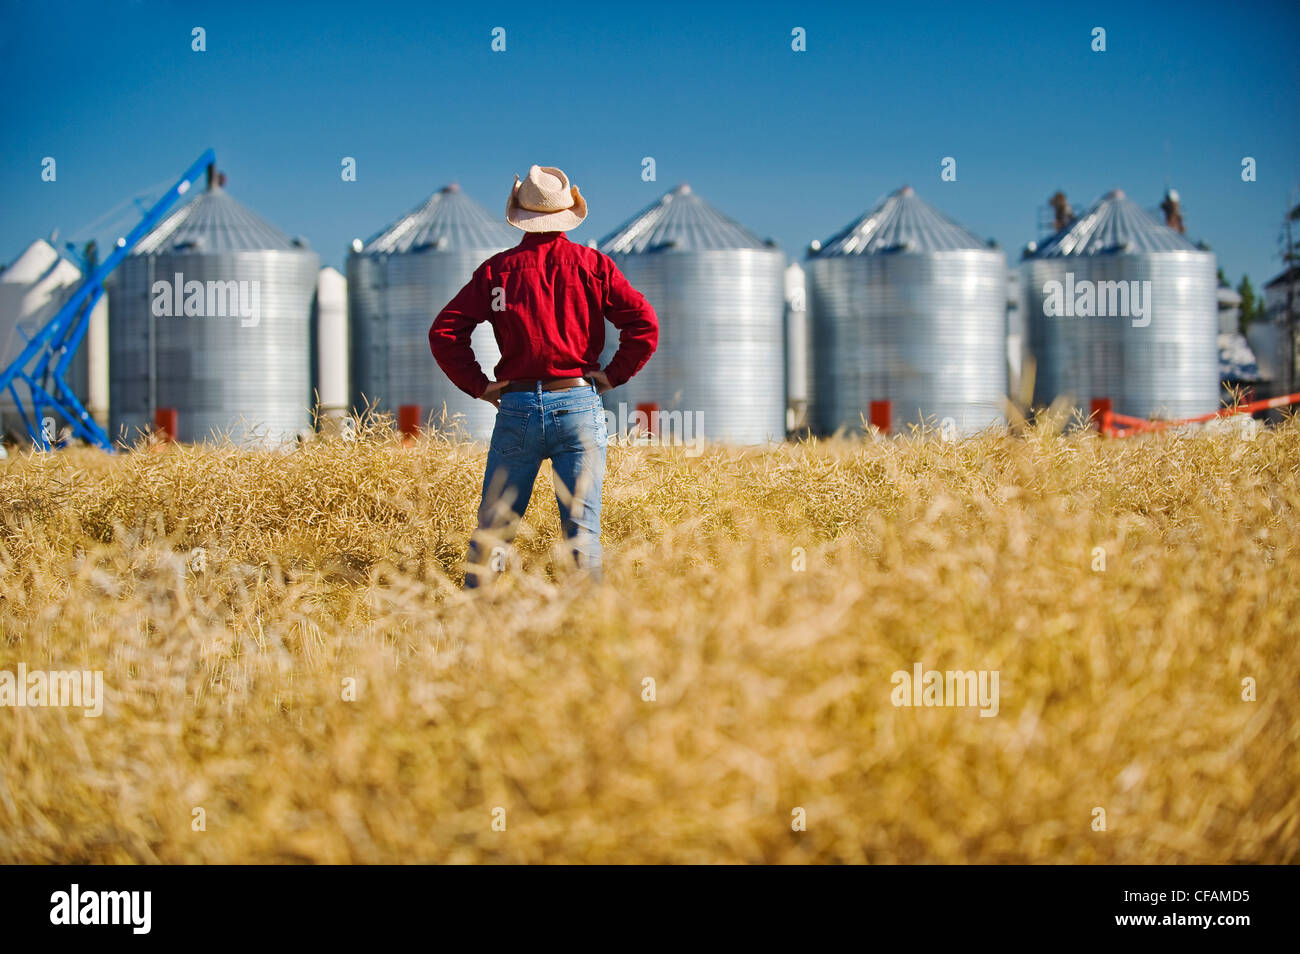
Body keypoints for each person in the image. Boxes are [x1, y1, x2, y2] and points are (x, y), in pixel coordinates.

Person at [429, 165, 658, 586]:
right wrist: (610, 377)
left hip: (516, 409)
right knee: (582, 534)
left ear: (519, 212)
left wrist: (479, 385)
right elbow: (644, 324)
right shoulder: (593, 265)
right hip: (577, 404)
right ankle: (590, 629)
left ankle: (477, 622)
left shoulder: (497, 272)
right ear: (567, 211)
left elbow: (445, 332)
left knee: (495, 533)